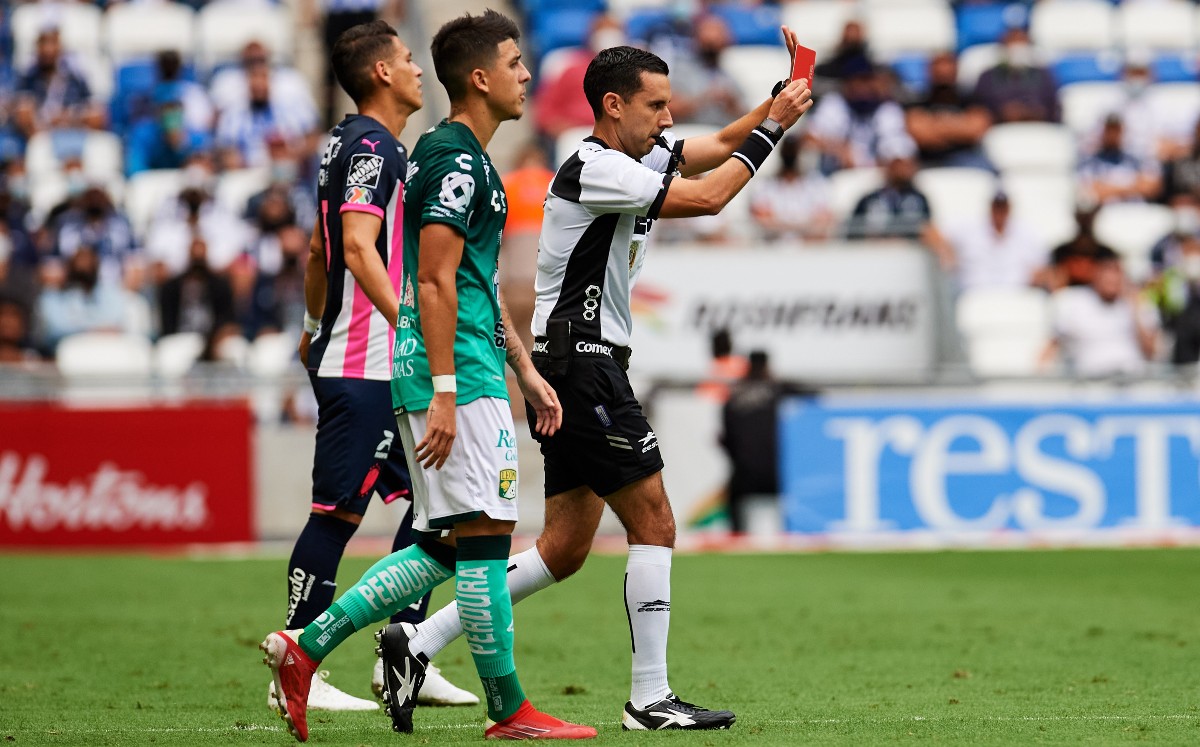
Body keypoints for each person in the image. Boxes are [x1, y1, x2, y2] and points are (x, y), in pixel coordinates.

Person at [379, 37, 813, 733]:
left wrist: (782, 99)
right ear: (613, 106)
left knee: (565, 546)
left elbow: (725, 140)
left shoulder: (633, 157)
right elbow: (709, 196)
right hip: (583, 361)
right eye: (657, 105)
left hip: (573, 362)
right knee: (655, 519)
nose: (670, 119)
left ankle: (417, 641)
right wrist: (776, 127)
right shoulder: (594, 166)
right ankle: (650, 695)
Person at [260, 14, 594, 743]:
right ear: (480, 78)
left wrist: (527, 371)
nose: (526, 73)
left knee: (448, 543)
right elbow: (436, 283)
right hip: (455, 375)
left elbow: (471, 283)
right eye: (514, 61)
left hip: (470, 364)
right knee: (487, 539)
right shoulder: (451, 159)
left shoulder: (468, 158)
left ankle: (306, 645)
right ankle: (508, 710)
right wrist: (444, 389)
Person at [258, 21, 473, 741]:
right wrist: (405, 320)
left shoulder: (349, 142)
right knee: (338, 515)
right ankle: (298, 659)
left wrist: (315, 322)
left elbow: (323, 249)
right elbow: (352, 242)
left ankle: (402, 649)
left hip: (357, 352)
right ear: (381, 71)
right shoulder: (375, 149)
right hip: (366, 363)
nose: (419, 70)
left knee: (436, 508)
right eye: (410, 60)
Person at [720, 350, 812, 534]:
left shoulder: (733, 395)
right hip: (778, 471)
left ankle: (736, 536)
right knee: (801, 490)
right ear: (767, 366)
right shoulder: (780, 389)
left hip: (745, 473)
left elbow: (725, 438)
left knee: (733, 497)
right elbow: (814, 395)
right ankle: (797, 533)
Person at [1041, 256, 1158, 377]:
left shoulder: (1138, 302)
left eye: (1116, 278)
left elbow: (1151, 351)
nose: (1112, 283)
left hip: (1131, 380)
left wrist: (1135, 311)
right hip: (1089, 383)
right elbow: (1053, 344)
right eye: (1107, 278)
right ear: (1096, 277)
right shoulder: (1073, 302)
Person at [944, 190, 1050, 292]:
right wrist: (950, 259)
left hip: (1016, 296)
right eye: (997, 208)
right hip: (976, 295)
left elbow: (1040, 268)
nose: (999, 214)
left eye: (1003, 209)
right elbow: (939, 237)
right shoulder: (968, 229)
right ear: (991, 208)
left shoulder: (1027, 234)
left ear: (1009, 209)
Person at [904, 51, 993, 171]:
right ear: (929, 70)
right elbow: (921, 136)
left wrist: (935, 124)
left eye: (948, 64)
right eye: (938, 65)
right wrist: (959, 125)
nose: (943, 70)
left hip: (966, 158)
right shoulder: (917, 102)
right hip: (928, 160)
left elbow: (975, 131)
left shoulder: (972, 100)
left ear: (957, 69)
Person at [973, 23, 1059, 124]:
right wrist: (1002, 113)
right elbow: (978, 108)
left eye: (1021, 41)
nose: (1017, 46)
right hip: (999, 127)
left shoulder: (1044, 75)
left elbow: (1054, 107)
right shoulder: (987, 77)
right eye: (1012, 41)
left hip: (1040, 126)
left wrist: (1034, 113)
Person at [1077, 115, 1162, 205]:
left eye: (1116, 130)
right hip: (1106, 212)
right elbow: (1092, 192)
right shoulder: (1091, 162)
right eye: (1109, 130)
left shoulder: (1134, 160)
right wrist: (1133, 187)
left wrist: (1110, 188)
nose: (1113, 135)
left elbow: (1153, 187)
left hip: (1135, 212)